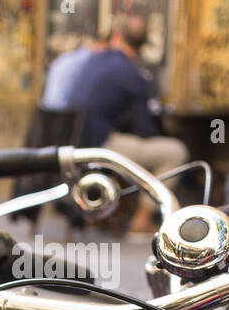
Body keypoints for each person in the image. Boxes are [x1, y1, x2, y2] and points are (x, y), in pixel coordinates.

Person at [68, 16, 188, 233]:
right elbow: (146, 131)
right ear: (143, 45)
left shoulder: (93, 59)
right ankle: (140, 221)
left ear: (117, 36)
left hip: (74, 142)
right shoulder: (131, 72)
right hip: (100, 144)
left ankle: (99, 215)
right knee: (175, 152)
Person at [42, 34, 109, 110]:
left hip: (47, 111)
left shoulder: (65, 58)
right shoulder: (88, 60)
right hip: (64, 113)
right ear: (101, 44)